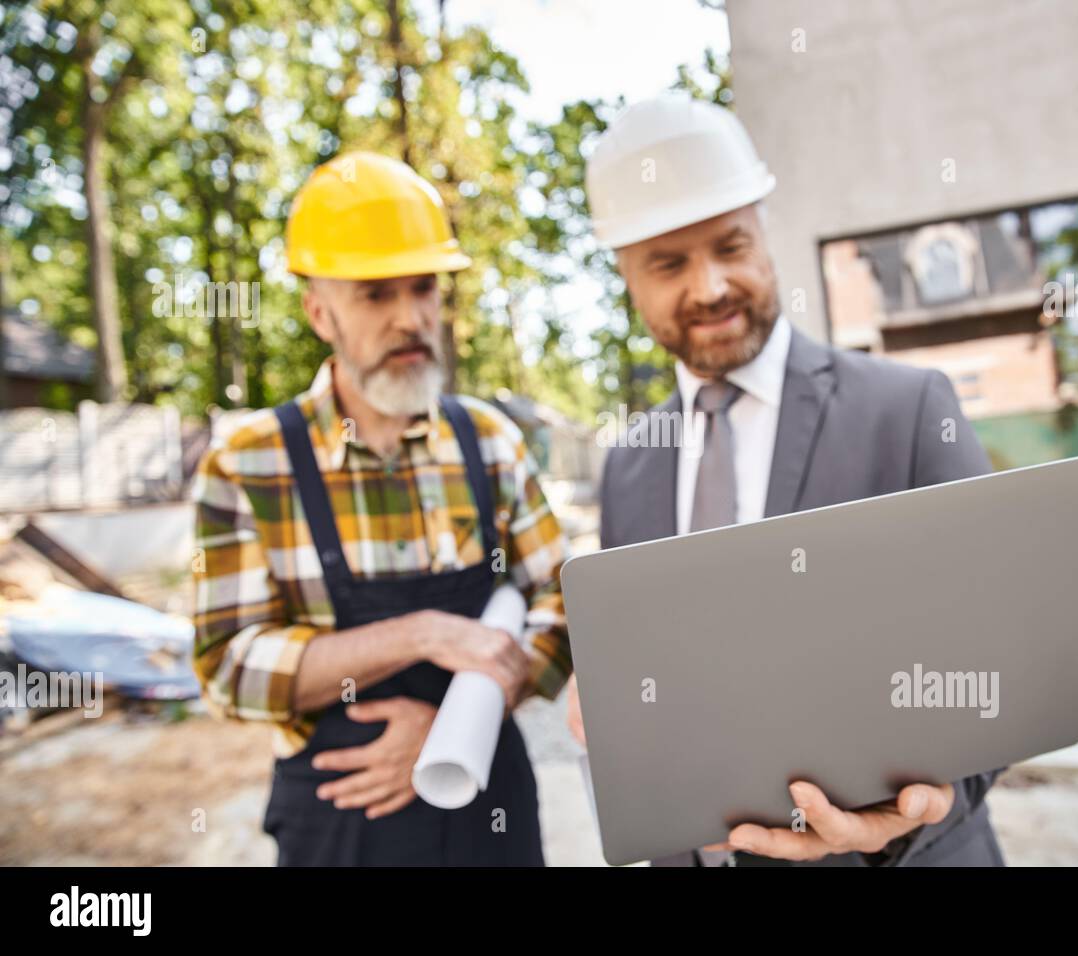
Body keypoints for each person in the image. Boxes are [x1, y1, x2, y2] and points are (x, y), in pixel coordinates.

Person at [567, 96, 1006, 867]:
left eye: (730, 245)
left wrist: (908, 815)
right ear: (627, 277)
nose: (708, 287)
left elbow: (1001, 663)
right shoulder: (631, 465)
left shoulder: (905, 412)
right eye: (668, 263)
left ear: (763, 233)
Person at [192, 151, 570, 866]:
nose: (409, 317)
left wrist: (457, 723)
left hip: (489, 803)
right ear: (318, 311)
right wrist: (419, 634)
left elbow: (559, 602)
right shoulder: (249, 462)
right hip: (341, 824)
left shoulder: (488, 442)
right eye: (375, 295)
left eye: (422, 288)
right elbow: (227, 667)